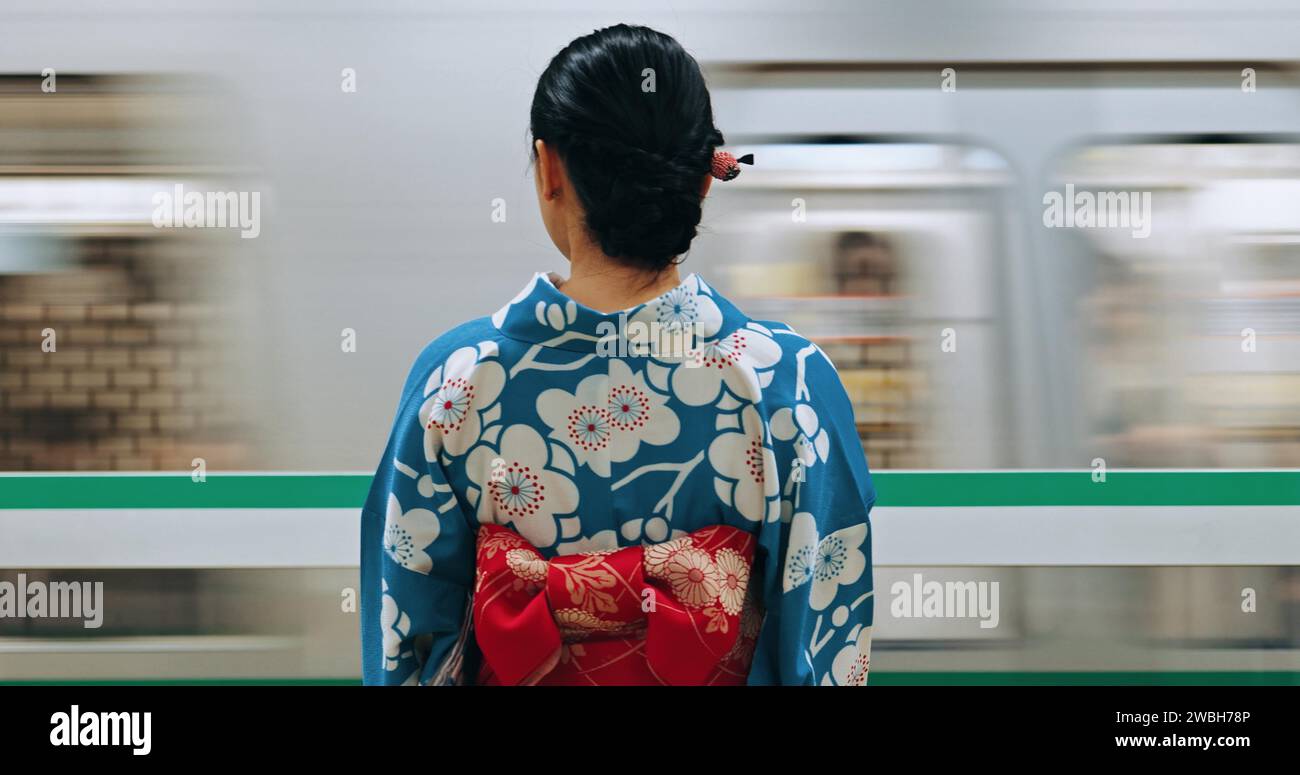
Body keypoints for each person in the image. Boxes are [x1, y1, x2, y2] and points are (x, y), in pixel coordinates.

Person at [360, 24, 875, 685]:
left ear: (550, 169)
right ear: (704, 180)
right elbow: (826, 651)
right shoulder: (788, 383)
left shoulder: (455, 382)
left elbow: (404, 642)